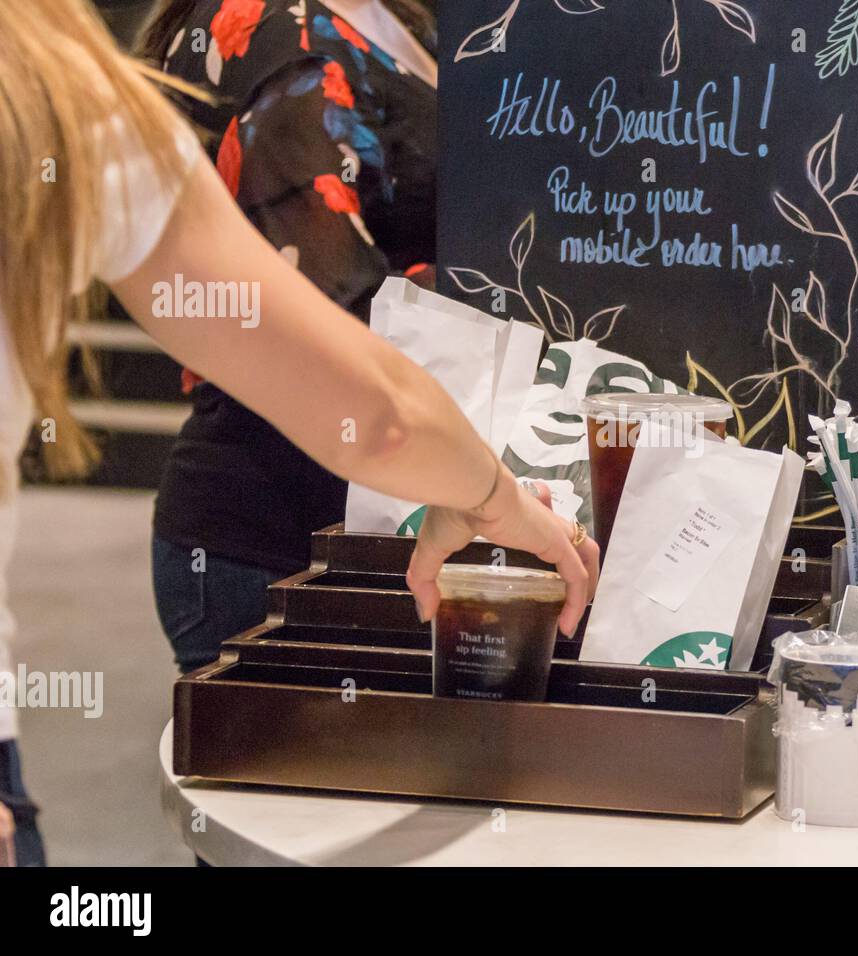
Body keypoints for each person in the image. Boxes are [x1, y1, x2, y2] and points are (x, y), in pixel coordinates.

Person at [0, 0, 597, 865]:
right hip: (296, 521)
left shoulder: (413, 28)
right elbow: (361, 384)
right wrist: (490, 495)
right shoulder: (88, 78)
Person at [137, 0, 447, 674]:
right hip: (284, 545)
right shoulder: (281, 34)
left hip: (362, 518)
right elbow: (329, 308)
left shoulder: (385, 19)